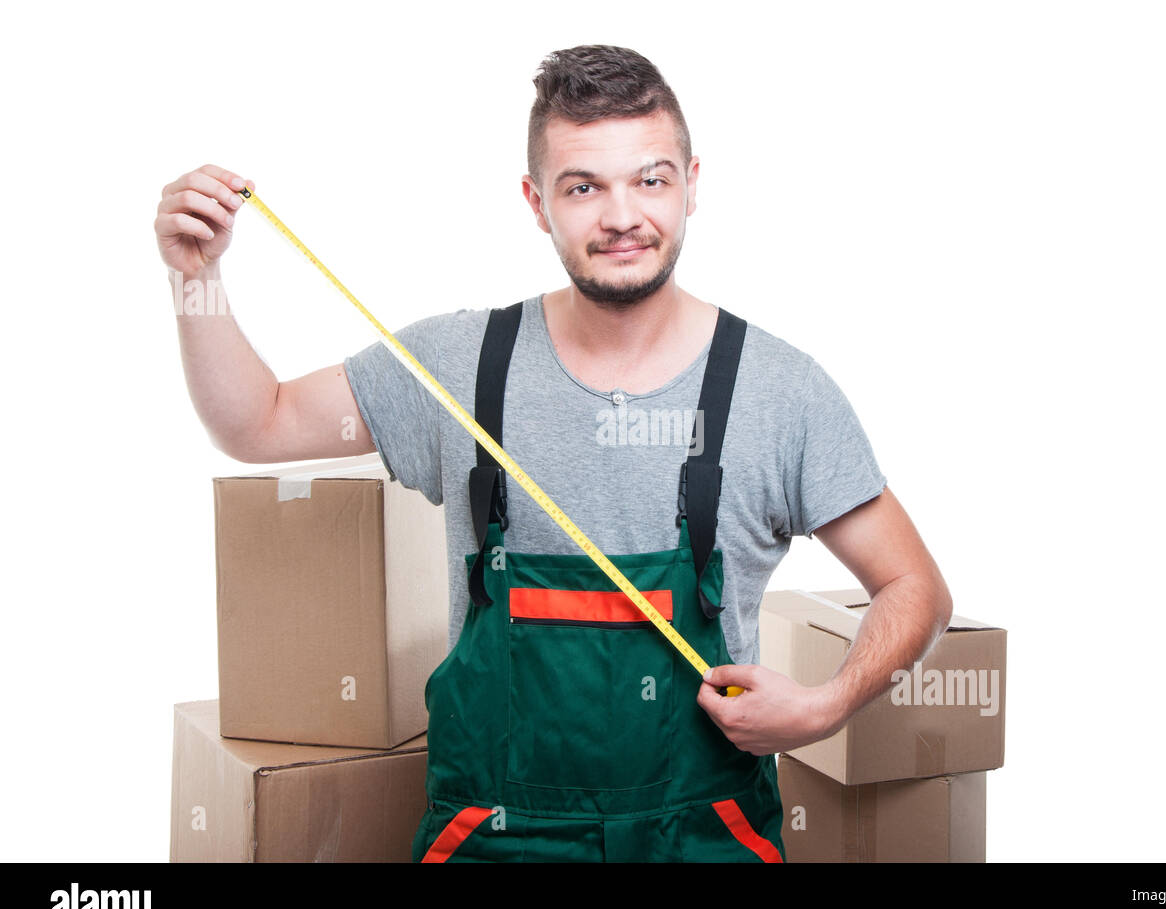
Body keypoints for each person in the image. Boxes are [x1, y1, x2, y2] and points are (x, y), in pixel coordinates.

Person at [157, 44, 953, 863]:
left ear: (691, 183)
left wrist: (822, 709)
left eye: (650, 179)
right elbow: (258, 423)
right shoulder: (463, 364)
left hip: (706, 836)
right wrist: (196, 278)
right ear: (537, 201)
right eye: (584, 187)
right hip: (495, 837)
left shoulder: (780, 391)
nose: (621, 217)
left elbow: (916, 588)